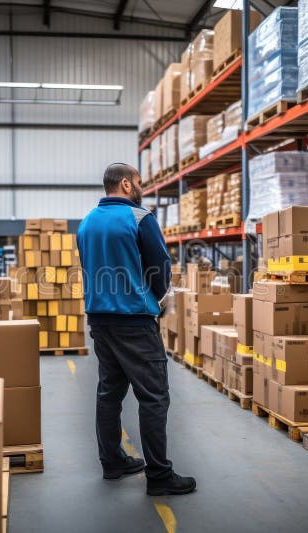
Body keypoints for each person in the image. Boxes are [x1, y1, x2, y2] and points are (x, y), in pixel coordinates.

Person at [77, 163, 196, 496]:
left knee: (109, 393)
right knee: (154, 397)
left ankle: (112, 462)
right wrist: (152, 298)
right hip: (134, 319)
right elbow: (161, 269)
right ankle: (159, 475)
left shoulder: (86, 223)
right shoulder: (140, 219)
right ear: (126, 184)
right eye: (140, 183)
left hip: (99, 320)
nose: (142, 188)